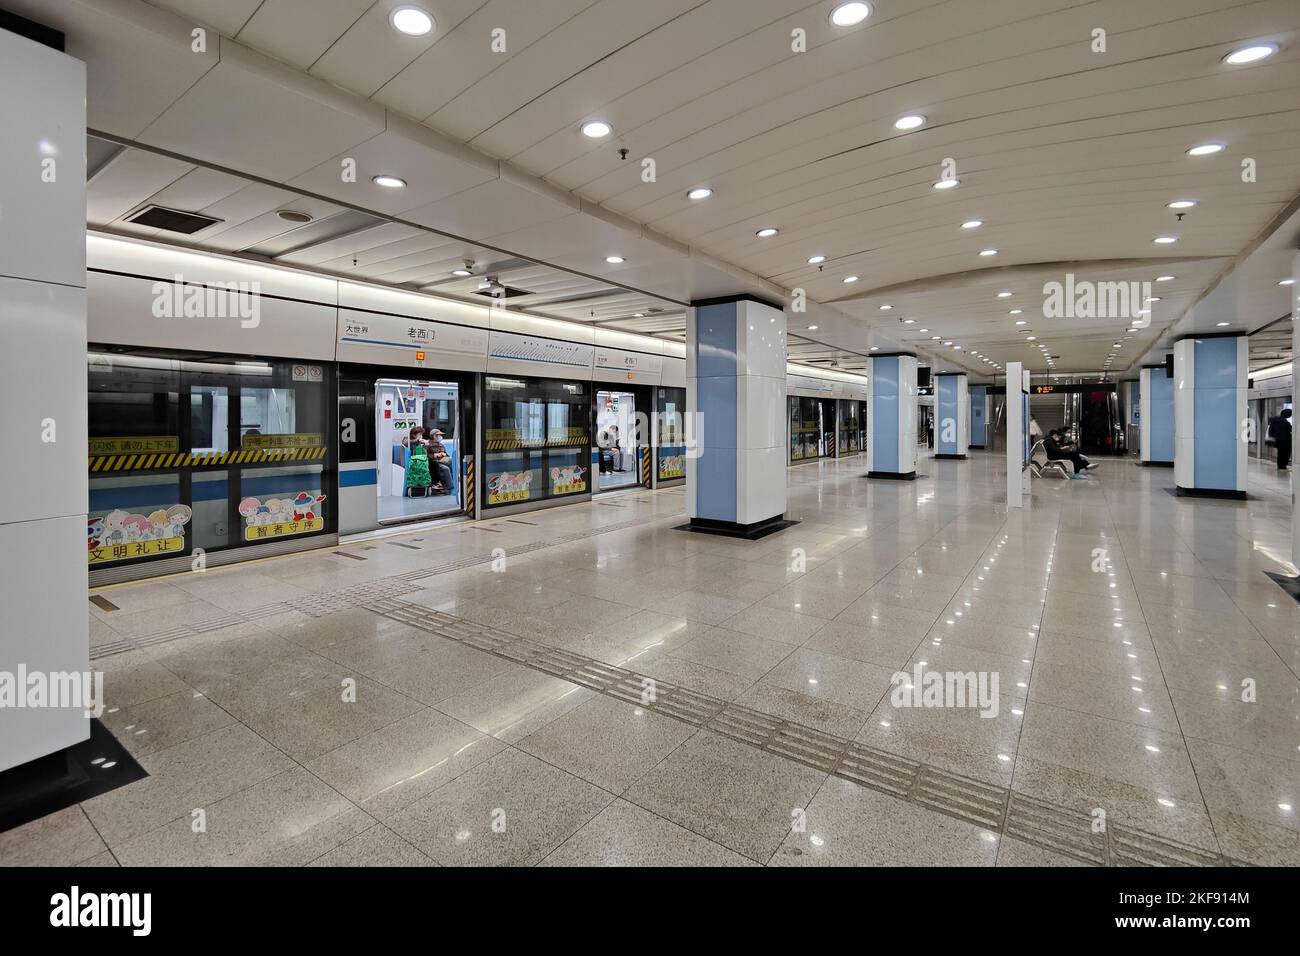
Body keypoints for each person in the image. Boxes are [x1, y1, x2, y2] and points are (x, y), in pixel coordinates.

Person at [403, 426, 432, 496]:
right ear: (413, 434)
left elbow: (424, 453)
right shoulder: (407, 439)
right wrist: (417, 440)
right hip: (413, 462)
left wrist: (426, 445)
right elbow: (405, 443)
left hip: (421, 461)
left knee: (434, 464)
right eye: (420, 434)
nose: (421, 436)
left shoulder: (420, 443)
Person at [427, 428, 454, 493]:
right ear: (433, 436)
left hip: (442, 461)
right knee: (446, 469)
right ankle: (449, 488)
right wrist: (435, 455)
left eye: (440, 435)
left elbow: (446, 454)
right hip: (434, 463)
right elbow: (426, 456)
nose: (440, 437)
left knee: (452, 465)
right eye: (438, 435)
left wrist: (444, 454)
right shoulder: (428, 445)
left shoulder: (441, 445)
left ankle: (452, 484)